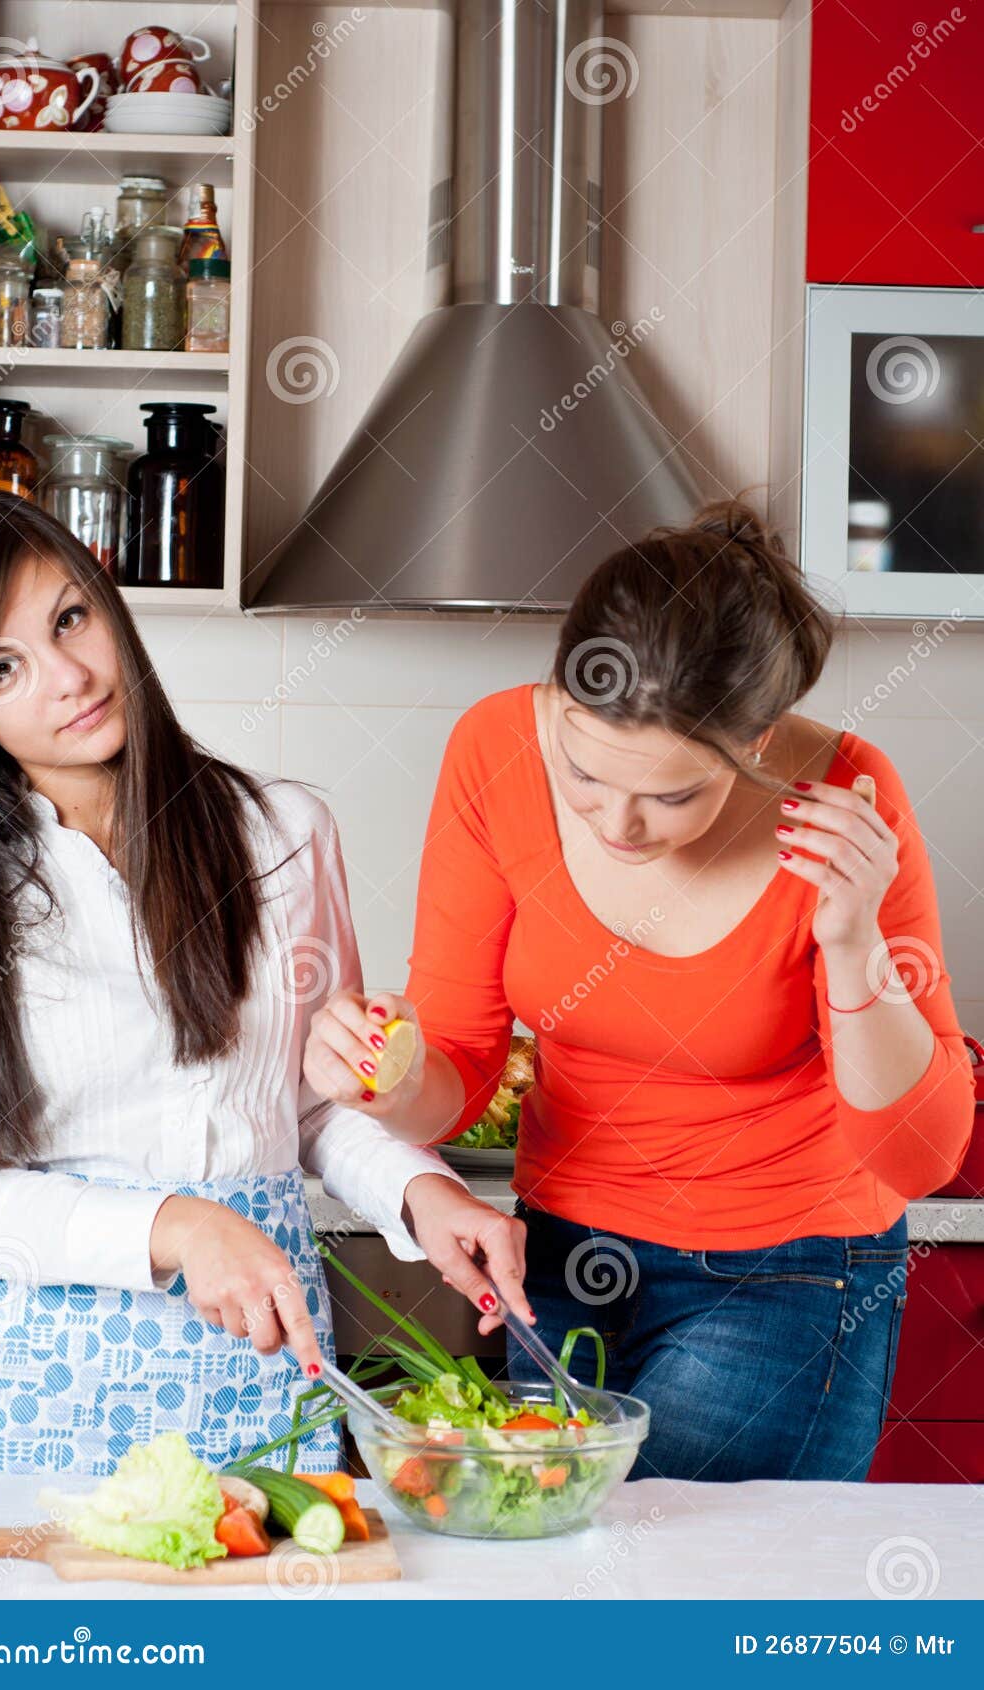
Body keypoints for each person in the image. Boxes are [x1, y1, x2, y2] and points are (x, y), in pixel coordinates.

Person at [304, 500, 975, 1482]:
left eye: (672, 796)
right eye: (583, 771)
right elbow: (456, 1065)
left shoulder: (844, 805)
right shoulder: (496, 751)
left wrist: (851, 942)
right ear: (559, 700)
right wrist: (381, 1077)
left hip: (784, 1272)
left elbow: (920, 1157)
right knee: (565, 1571)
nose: (617, 821)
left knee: (673, 1585)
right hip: (563, 1251)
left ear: (759, 742)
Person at [0, 490, 526, 1477]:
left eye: (71, 617)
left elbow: (313, 1103)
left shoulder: (283, 835)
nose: (70, 675)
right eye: (4, 664)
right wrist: (176, 1226)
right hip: (28, 1402)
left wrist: (424, 1194)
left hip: (255, 1370)